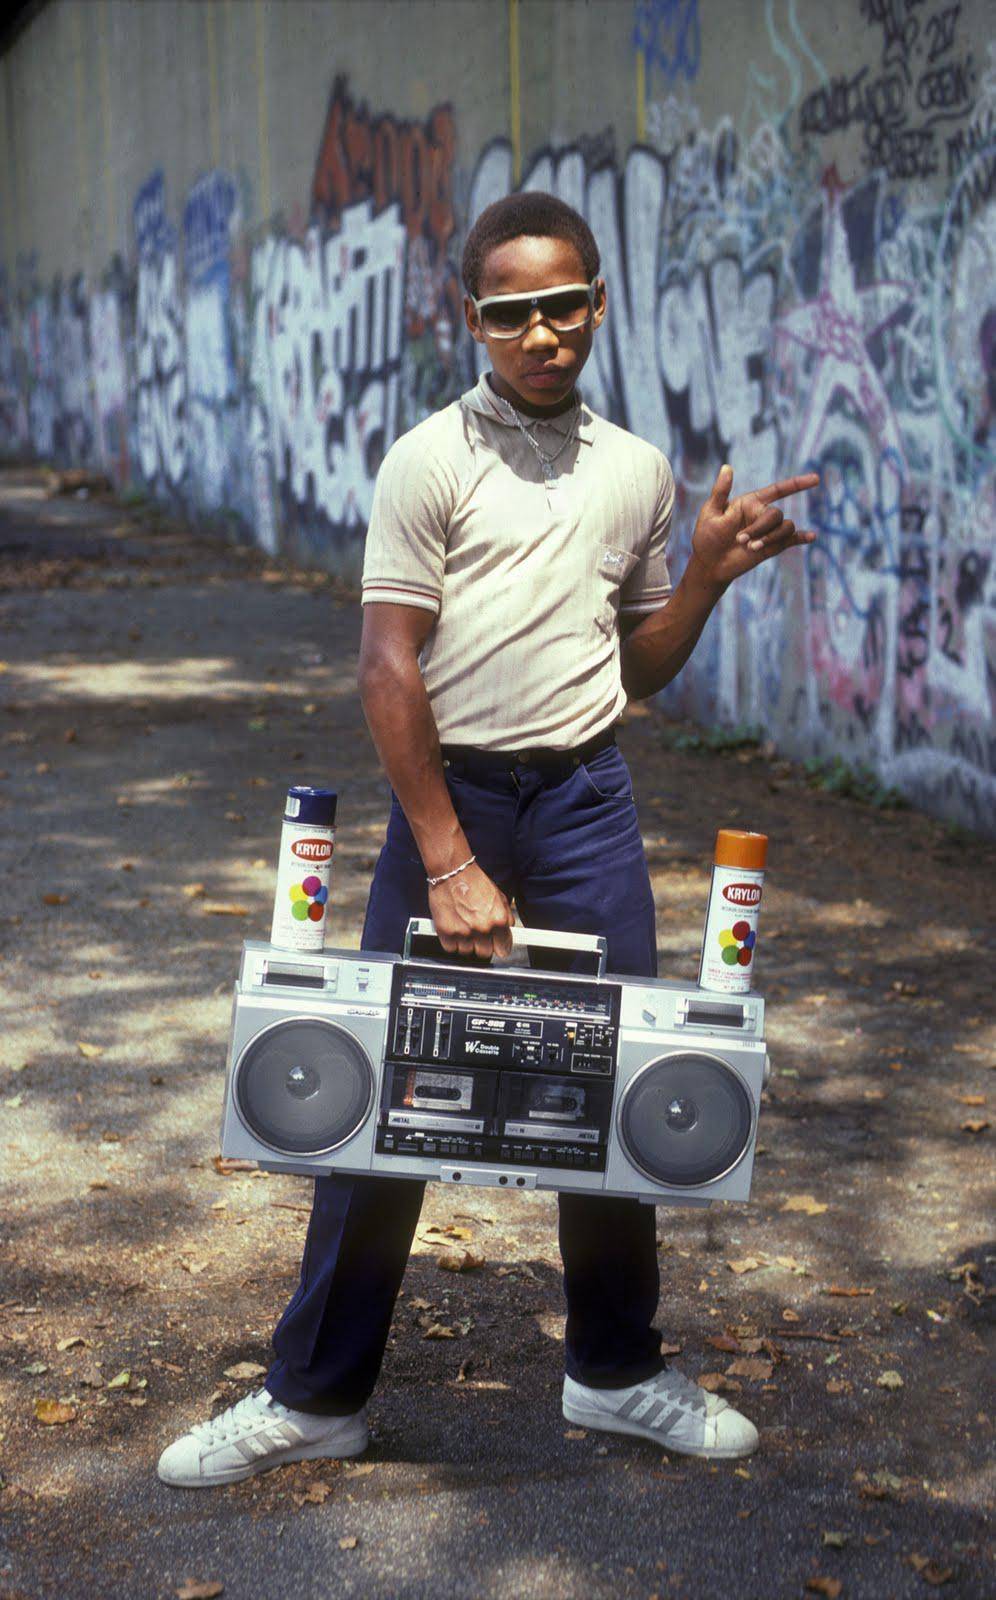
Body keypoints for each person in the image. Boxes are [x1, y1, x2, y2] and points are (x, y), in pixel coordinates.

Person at [158, 192, 817, 1488]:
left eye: (560, 306)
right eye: (509, 313)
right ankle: (316, 1395)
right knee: (381, 1094)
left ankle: (616, 1372)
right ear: (474, 321)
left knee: (613, 1089)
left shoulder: (636, 471)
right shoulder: (428, 460)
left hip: (582, 800)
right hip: (448, 802)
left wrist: (702, 580)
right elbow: (386, 666)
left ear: (595, 306)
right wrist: (448, 858)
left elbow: (636, 670)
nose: (539, 334)